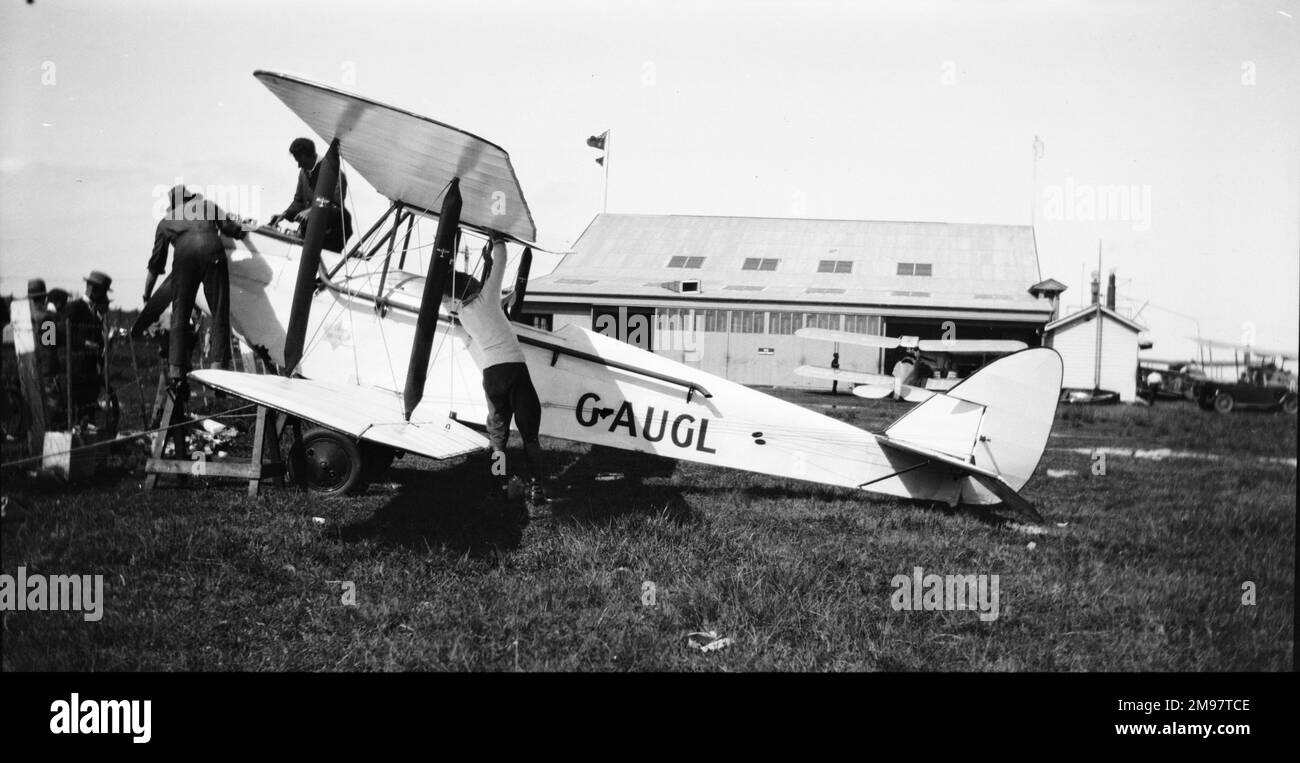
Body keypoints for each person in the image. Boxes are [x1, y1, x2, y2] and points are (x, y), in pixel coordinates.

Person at [452, 237, 547, 508]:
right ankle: (537, 488)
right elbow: (503, 258)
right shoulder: (487, 299)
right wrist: (497, 240)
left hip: (491, 374)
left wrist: (487, 263)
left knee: (498, 438)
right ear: (470, 286)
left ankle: (499, 485)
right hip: (513, 368)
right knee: (530, 435)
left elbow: (493, 305)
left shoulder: (464, 314)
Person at [146, 185, 244, 381]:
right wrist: (241, 229)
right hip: (213, 252)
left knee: (180, 314)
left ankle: (175, 370)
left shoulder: (166, 221)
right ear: (190, 200)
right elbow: (231, 228)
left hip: (184, 258)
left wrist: (147, 295)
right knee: (218, 312)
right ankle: (218, 369)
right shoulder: (207, 206)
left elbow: (156, 264)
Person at [268, 137, 352, 253]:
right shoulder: (303, 172)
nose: (298, 165)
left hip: (330, 235)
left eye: (299, 160)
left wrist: (312, 210)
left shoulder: (335, 173)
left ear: (306, 155)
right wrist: (285, 214)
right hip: (310, 232)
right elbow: (299, 200)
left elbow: (334, 204)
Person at [63, 270, 116, 430]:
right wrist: (83, 343)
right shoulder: (75, 307)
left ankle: (87, 440)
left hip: (92, 368)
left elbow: (97, 337)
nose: (104, 295)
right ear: (93, 289)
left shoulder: (96, 312)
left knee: (89, 406)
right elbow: (62, 333)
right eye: (103, 291)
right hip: (77, 366)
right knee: (77, 406)